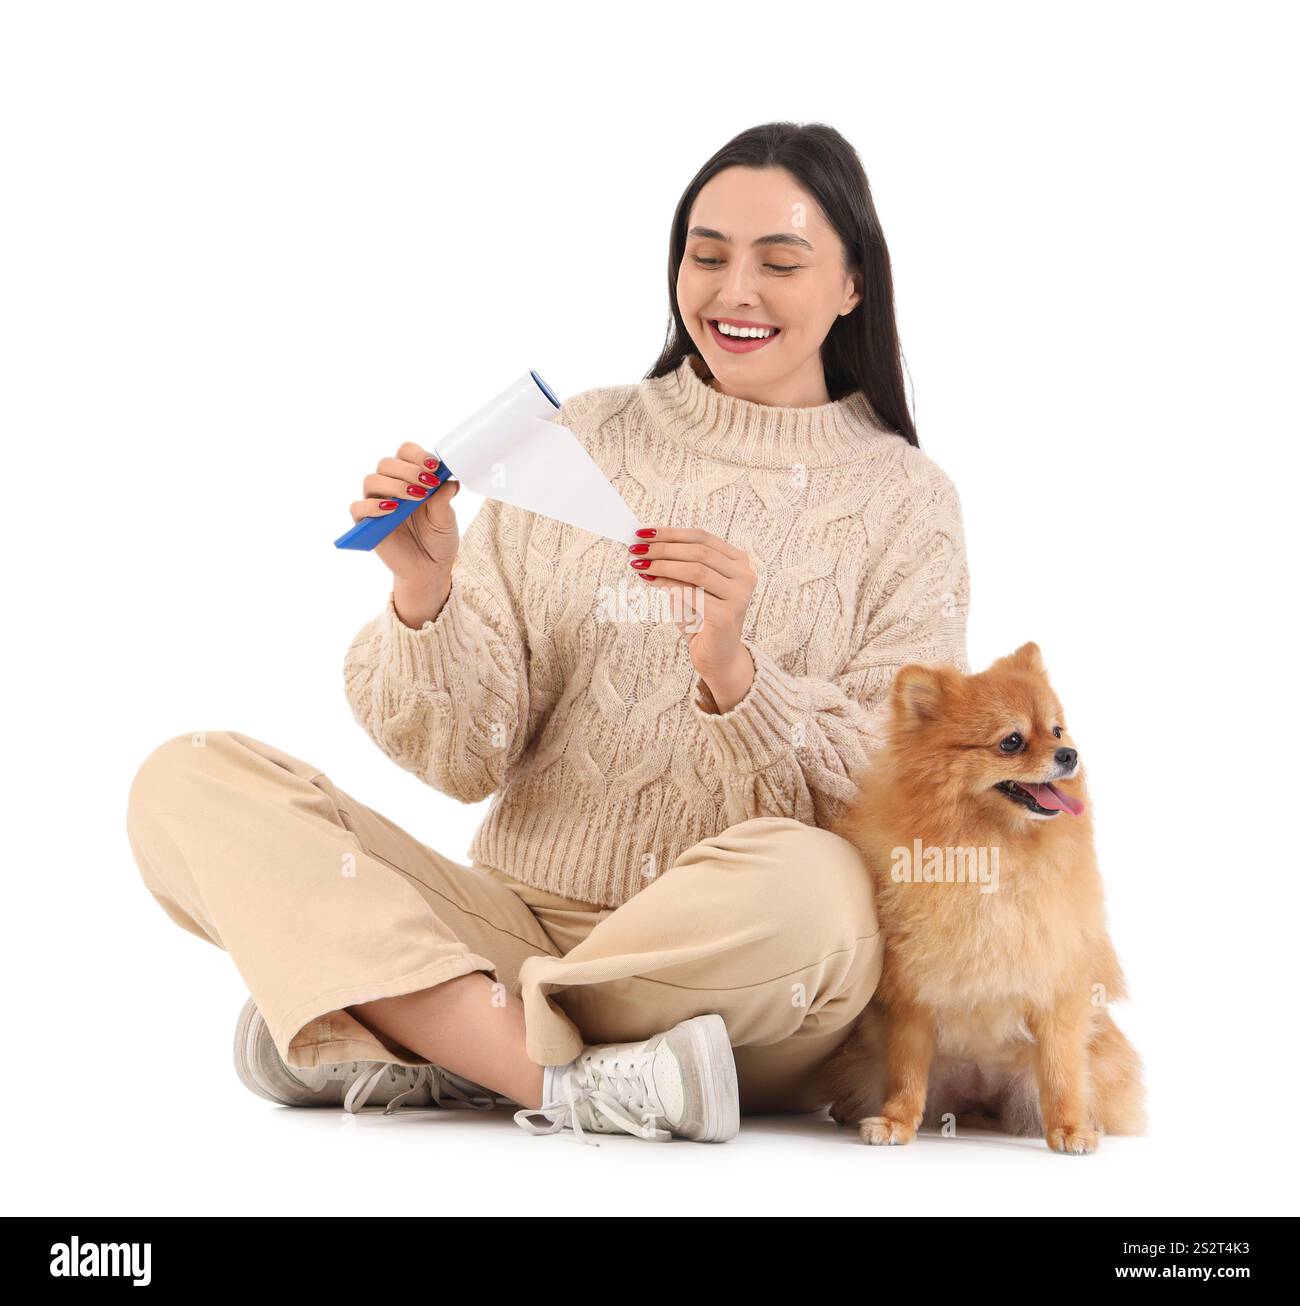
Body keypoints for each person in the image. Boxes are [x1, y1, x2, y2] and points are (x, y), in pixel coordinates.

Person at [126, 120, 971, 1144]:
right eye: (704, 257)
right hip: (515, 921)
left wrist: (740, 679)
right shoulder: (579, 440)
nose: (732, 293)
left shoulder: (905, 502)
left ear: (852, 287)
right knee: (188, 781)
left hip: (728, 969)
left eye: (779, 262)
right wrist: (430, 599)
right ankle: (559, 1073)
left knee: (825, 893)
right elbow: (466, 757)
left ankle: (417, 1020)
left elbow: (900, 796)